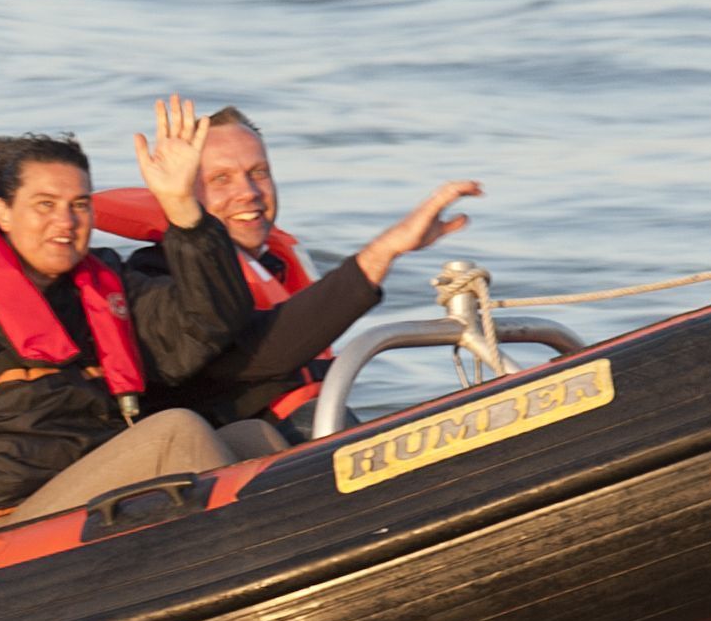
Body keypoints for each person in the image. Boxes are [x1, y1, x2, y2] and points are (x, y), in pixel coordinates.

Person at [0, 103, 267, 566]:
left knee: (254, 440)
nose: (66, 222)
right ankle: (253, 574)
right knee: (177, 435)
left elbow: (206, 324)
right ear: (2, 212)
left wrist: (184, 210)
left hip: (84, 496)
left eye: (79, 205)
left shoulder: (102, 286)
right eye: (45, 205)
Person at [123, 110, 486, 452]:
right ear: (181, 190)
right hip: (231, 462)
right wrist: (385, 250)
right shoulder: (156, 276)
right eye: (220, 179)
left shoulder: (275, 265)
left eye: (259, 172)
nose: (248, 191)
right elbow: (259, 353)